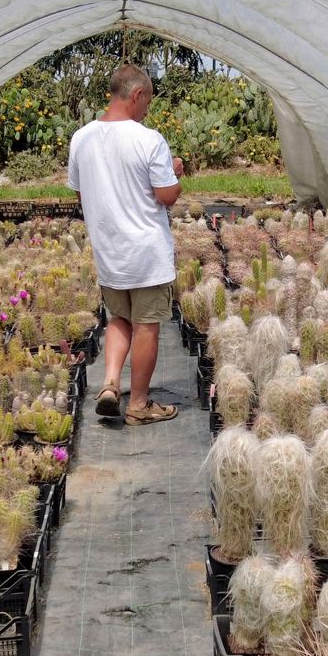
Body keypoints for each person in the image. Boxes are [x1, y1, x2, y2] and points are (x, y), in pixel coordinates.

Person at [68, 64, 184, 426]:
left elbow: (79, 188)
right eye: (147, 101)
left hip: (110, 252)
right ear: (136, 95)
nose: (147, 109)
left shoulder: (81, 138)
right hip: (146, 254)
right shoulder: (148, 139)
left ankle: (110, 384)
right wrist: (175, 173)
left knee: (118, 318)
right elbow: (166, 196)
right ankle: (138, 404)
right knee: (147, 324)